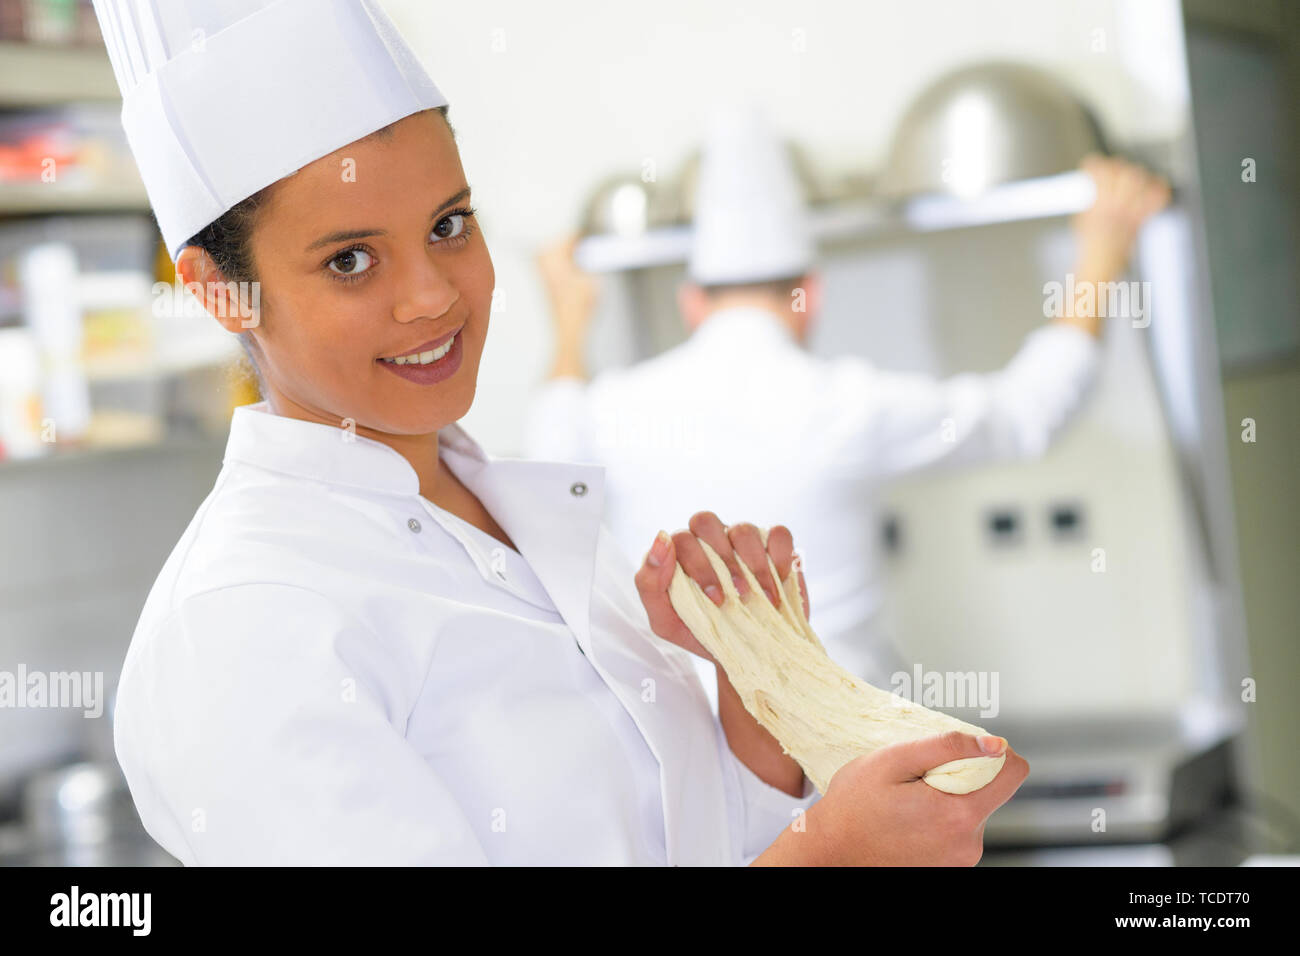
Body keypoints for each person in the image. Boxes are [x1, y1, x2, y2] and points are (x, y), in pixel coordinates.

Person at [95, 0, 1027, 866]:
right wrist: (827, 855)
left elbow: (693, 849)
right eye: (350, 260)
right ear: (220, 289)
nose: (432, 295)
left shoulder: (515, 522)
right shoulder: (243, 626)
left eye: (450, 224)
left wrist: (750, 701)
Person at [526, 105, 1171, 704]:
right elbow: (1027, 415)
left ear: (691, 302)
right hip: (842, 768)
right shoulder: (850, 406)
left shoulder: (613, 409)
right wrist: (1102, 251)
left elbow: (548, 463)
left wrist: (570, 321)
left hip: (682, 757)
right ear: (812, 294)